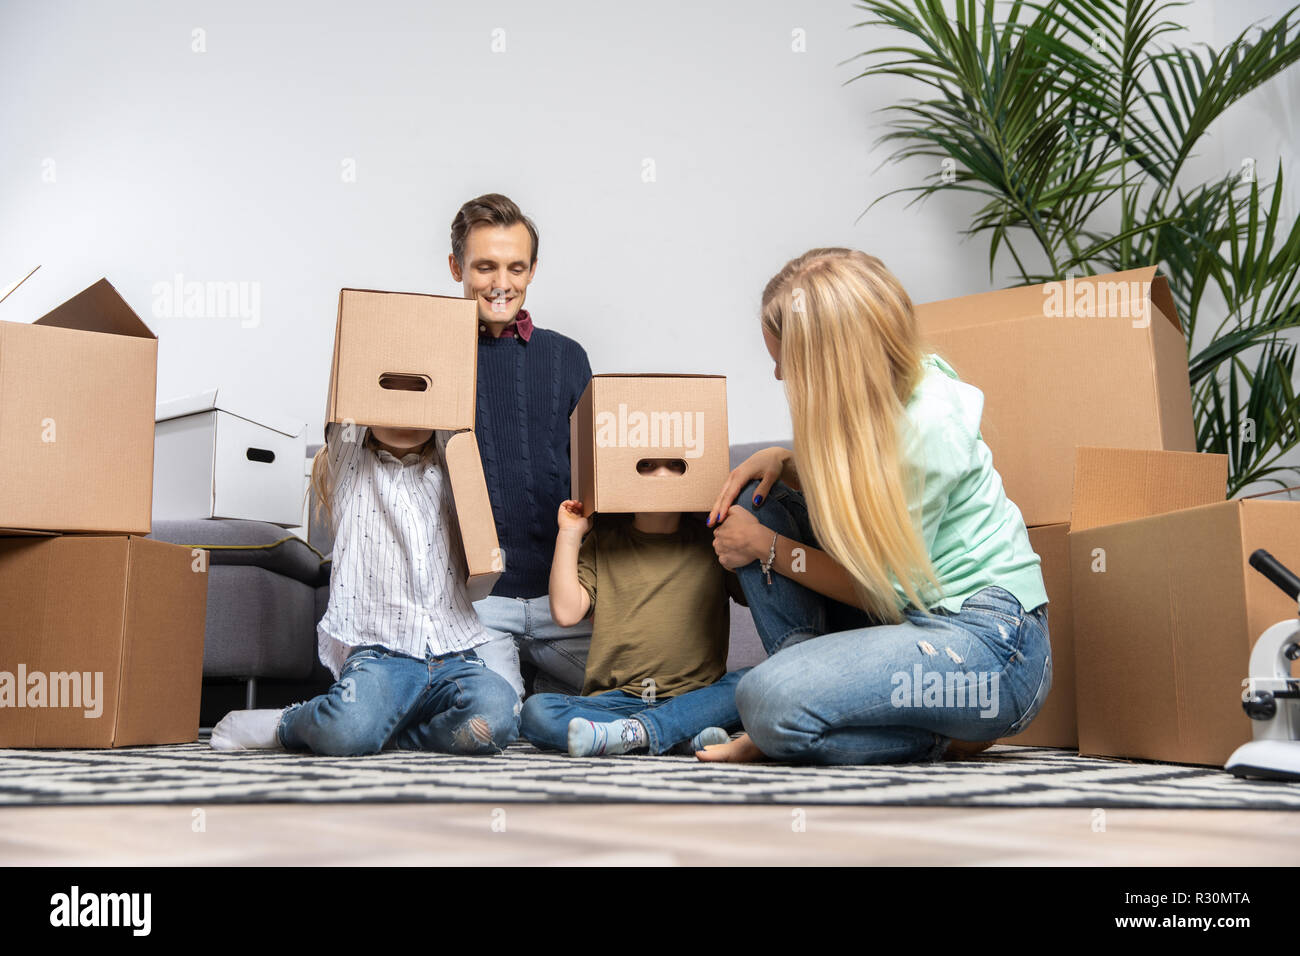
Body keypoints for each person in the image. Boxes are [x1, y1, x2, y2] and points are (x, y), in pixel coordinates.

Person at [698, 247, 1052, 765]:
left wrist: (766, 546)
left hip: (991, 651)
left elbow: (878, 589)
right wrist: (784, 461)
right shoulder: (889, 393)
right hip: (915, 619)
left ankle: (805, 715)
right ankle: (804, 701)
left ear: (831, 361)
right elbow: (861, 487)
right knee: (766, 498)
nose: (777, 375)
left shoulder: (927, 430)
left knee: (764, 699)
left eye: (784, 361)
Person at [209, 419, 519, 755]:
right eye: (394, 400)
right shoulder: (352, 464)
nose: (405, 414)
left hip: (454, 659)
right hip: (382, 658)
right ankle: (290, 721)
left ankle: (393, 735)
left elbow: (449, 406)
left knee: (500, 713)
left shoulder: (449, 466)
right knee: (347, 730)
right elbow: (352, 395)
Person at [447, 193, 594, 701]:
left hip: (565, 600)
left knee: (643, 687)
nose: (501, 283)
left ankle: (550, 681)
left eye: (515, 267)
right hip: (478, 603)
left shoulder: (567, 356)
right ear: (456, 267)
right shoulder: (433, 358)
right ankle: (527, 686)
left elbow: (594, 474)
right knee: (492, 720)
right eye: (485, 267)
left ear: (532, 270)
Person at [519, 460, 747, 756]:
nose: (661, 476)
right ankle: (678, 736)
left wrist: (738, 530)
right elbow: (566, 612)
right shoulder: (605, 538)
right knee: (536, 712)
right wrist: (570, 534)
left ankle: (639, 733)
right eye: (648, 465)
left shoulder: (713, 539)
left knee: (751, 683)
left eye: (674, 465)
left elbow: (751, 596)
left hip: (694, 696)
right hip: (617, 700)